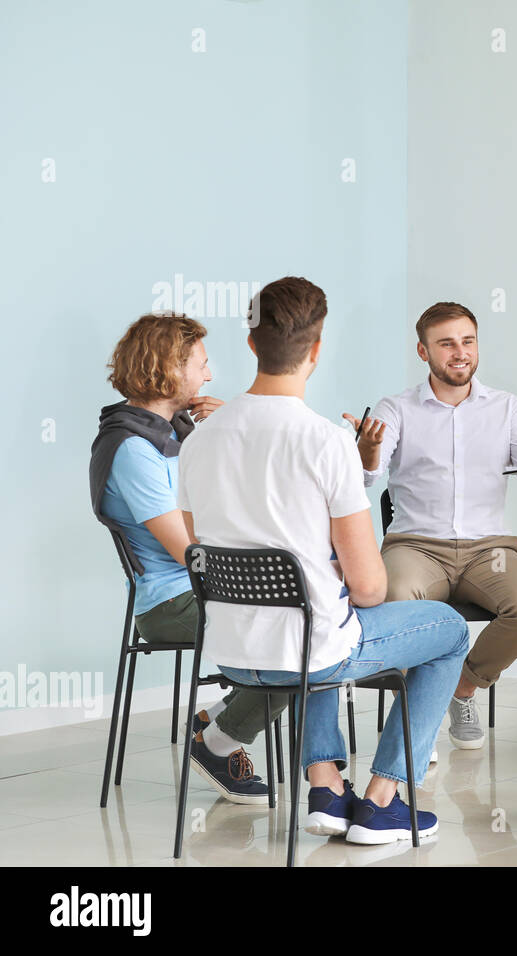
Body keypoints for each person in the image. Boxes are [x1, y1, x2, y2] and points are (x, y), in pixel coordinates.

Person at [178, 277, 470, 845]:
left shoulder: (200, 439)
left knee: (319, 616)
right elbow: (368, 588)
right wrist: (331, 575)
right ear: (316, 349)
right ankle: (384, 799)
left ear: (252, 344)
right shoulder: (328, 443)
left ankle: (328, 789)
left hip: (233, 652)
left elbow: (200, 553)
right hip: (306, 650)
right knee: (450, 632)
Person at [349, 301, 517, 752]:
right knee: (395, 600)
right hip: (416, 546)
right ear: (423, 351)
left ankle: (461, 689)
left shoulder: (507, 408)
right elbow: (365, 478)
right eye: (447, 344)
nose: (460, 353)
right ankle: (419, 719)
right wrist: (366, 451)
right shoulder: (395, 408)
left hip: (487, 551)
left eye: (468, 342)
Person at [89, 312, 285, 804]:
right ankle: (218, 741)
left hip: (208, 587)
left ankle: (219, 726)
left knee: (308, 622)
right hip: (172, 601)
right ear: (169, 368)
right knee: (297, 635)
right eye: (200, 363)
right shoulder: (134, 449)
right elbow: (189, 552)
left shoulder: (176, 434)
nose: (210, 375)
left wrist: (228, 436)